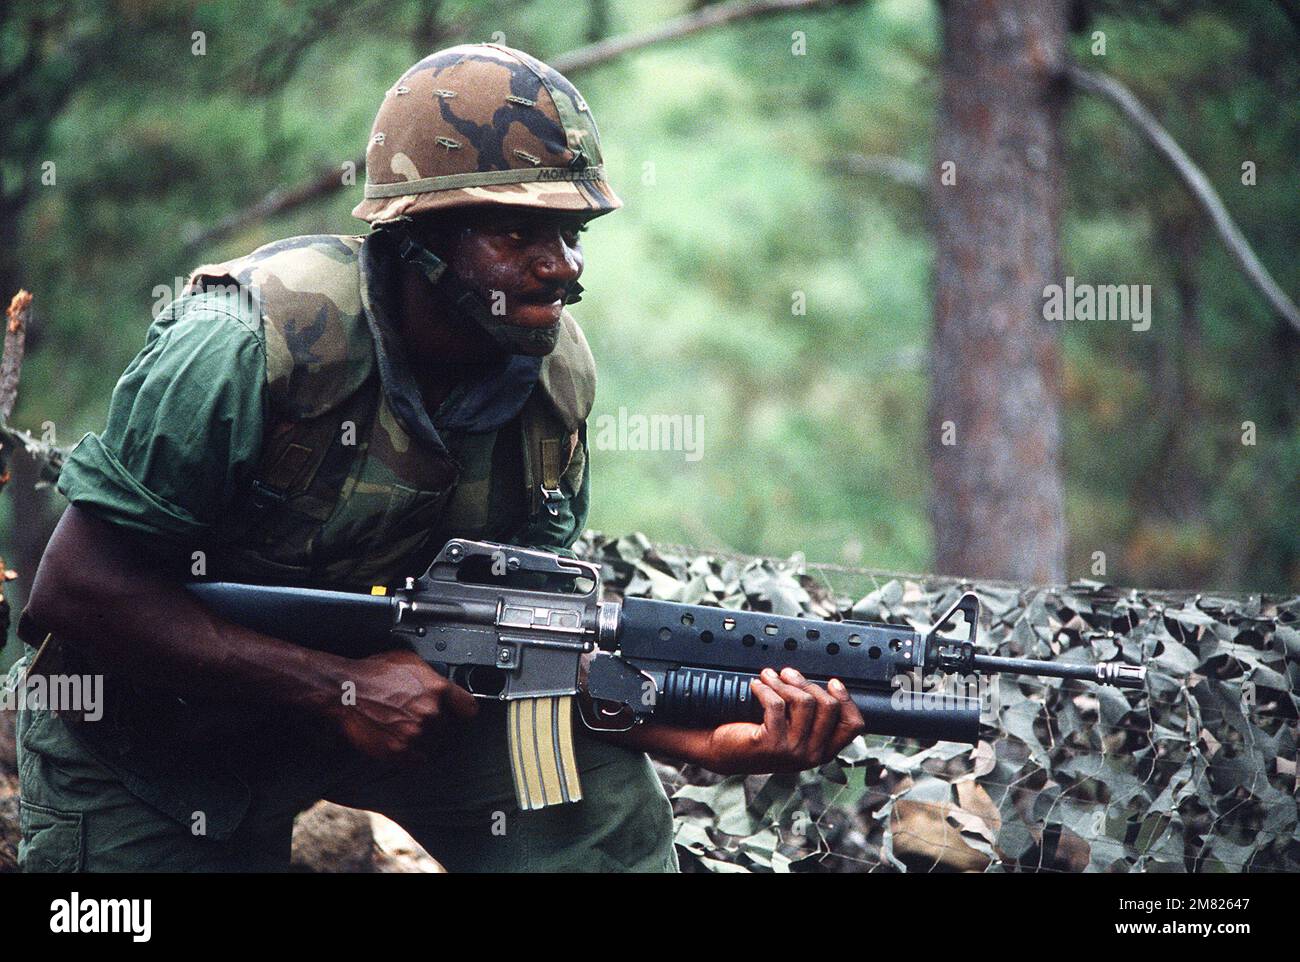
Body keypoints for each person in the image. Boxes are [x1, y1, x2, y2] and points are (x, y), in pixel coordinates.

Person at [15, 43, 864, 873]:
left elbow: (528, 645)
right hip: (150, 737)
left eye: (570, 233)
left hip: (409, 715)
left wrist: (700, 744)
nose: (559, 268)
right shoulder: (250, 345)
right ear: (419, 238)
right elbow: (74, 595)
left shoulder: (552, 383)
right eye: (517, 233)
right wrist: (336, 687)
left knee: (600, 820)